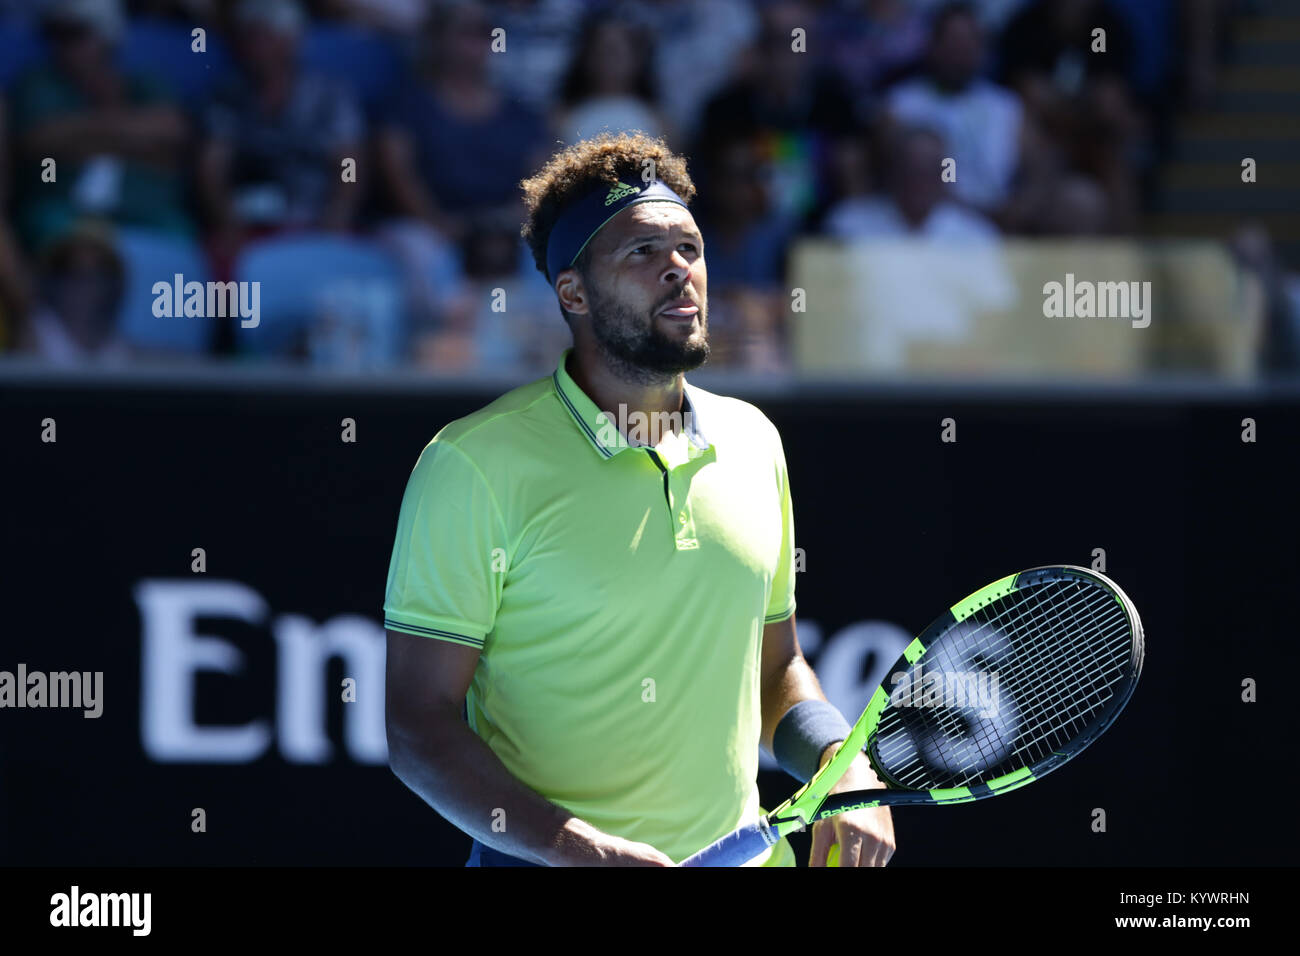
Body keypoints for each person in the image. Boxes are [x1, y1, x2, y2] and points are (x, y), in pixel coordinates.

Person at [383, 132, 896, 867]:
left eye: (689, 248)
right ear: (574, 294)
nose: (679, 271)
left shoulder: (754, 441)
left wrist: (837, 762)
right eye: (642, 253)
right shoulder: (471, 465)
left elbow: (775, 664)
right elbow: (417, 725)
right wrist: (578, 849)